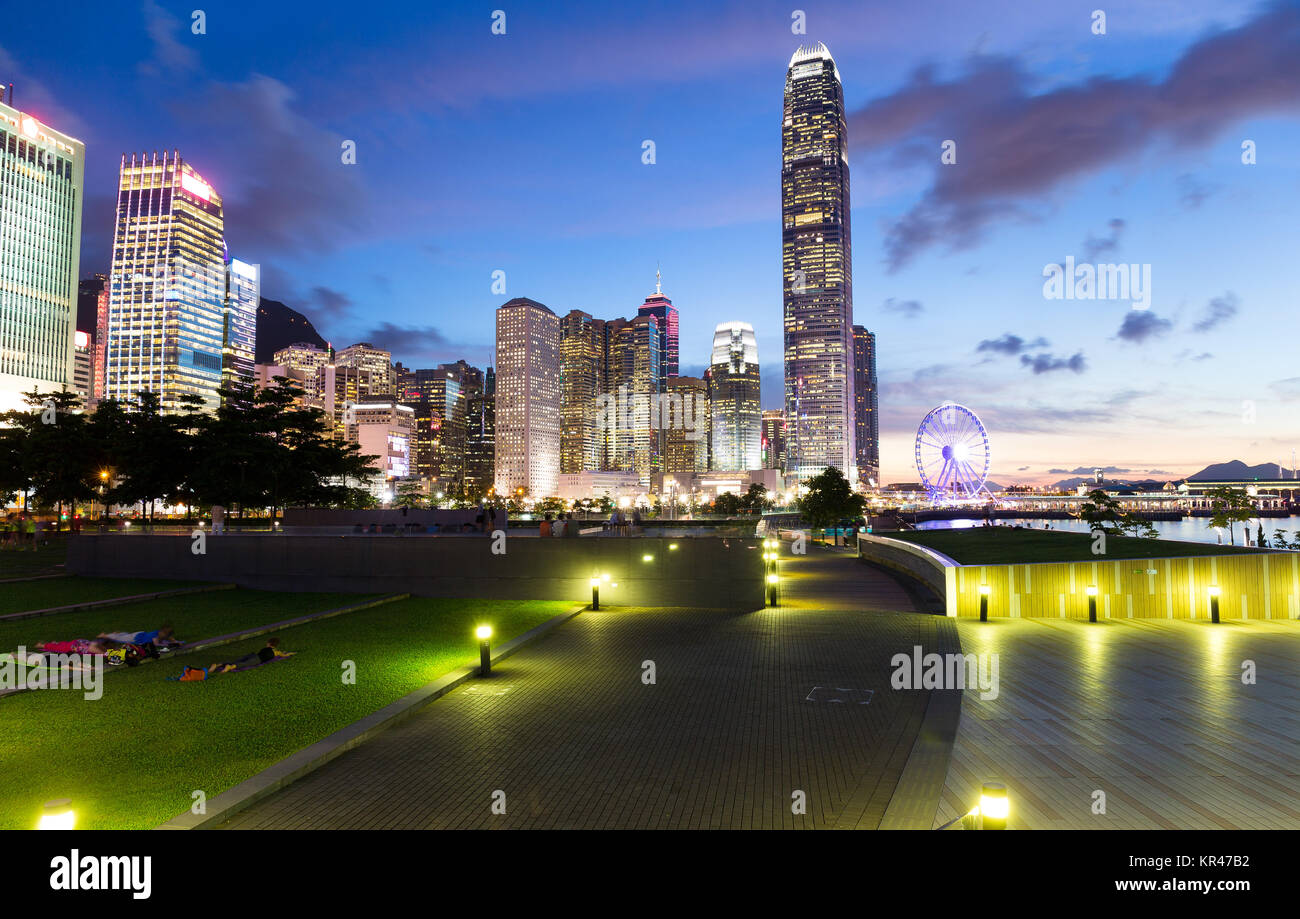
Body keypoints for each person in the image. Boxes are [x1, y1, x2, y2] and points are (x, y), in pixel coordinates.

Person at [207, 637, 293, 674]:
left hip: (253, 655)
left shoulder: (265, 648)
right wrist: (290, 653)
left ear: (269, 643)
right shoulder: (276, 652)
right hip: (257, 660)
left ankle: (217, 665)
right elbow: (284, 655)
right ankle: (230, 667)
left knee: (238, 661)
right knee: (244, 664)